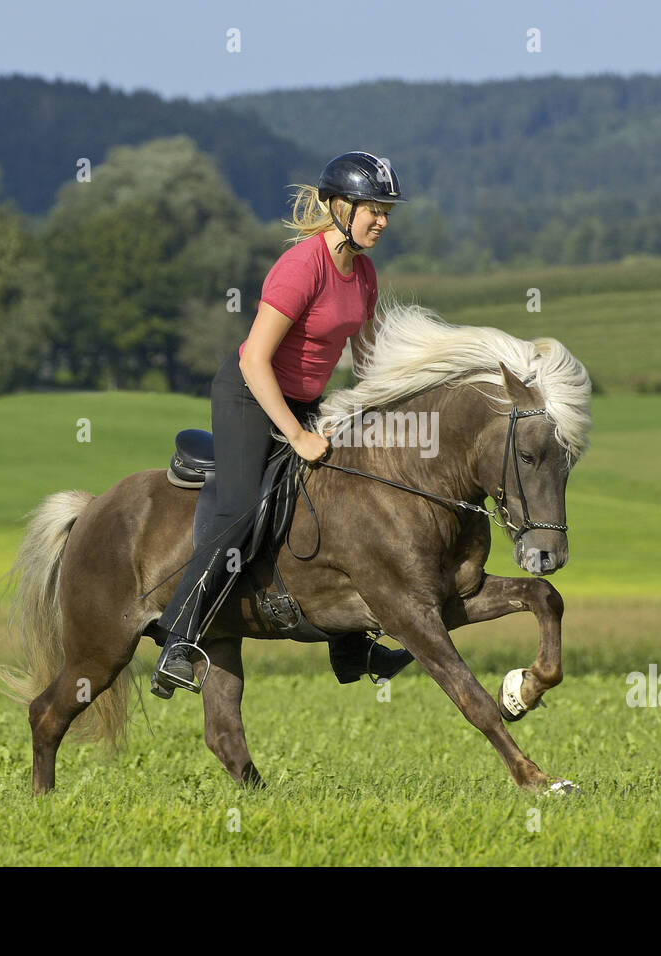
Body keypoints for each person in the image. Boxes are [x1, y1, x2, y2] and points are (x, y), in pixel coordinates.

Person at [144, 151, 416, 699]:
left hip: (308, 401)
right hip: (251, 393)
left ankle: (352, 646)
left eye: (387, 210)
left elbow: (363, 359)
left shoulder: (362, 271)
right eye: (373, 208)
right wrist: (296, 435)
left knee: (352, 497)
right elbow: (254, 360)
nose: (382, 219)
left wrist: (379, 413)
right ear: (339, 207)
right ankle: (179, 637)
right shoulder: (301, 267)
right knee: (241, 504)